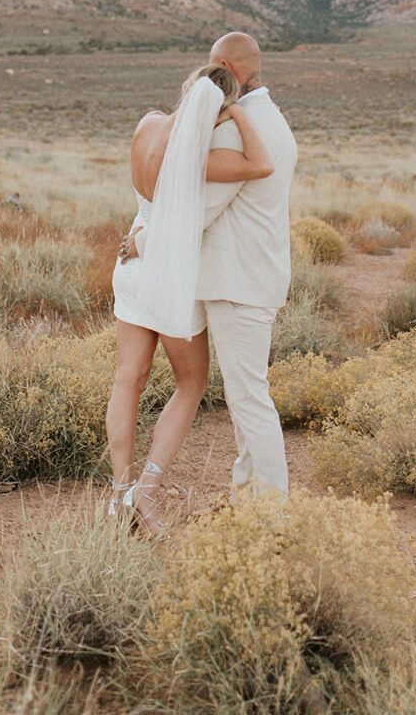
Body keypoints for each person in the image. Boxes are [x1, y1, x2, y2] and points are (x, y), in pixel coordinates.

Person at [106, 62, 274, 533]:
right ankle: (148, 495)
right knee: (190, 383)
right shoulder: (197, 156)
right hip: (171, 271)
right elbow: (262, 164)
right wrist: (239, 114)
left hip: (131, 261)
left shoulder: (148, 124)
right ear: (218, 108)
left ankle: (120, 495)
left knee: (127, 379)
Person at [196, 32, 299, 498]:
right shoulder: (271, 119)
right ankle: (247, 499)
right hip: (257, 274)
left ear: (222, 65)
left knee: (251, 401)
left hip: (239, 280)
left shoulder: (238, 127)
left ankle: (272, 512)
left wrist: (147, 237)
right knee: (244, 399)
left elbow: (205, 208)